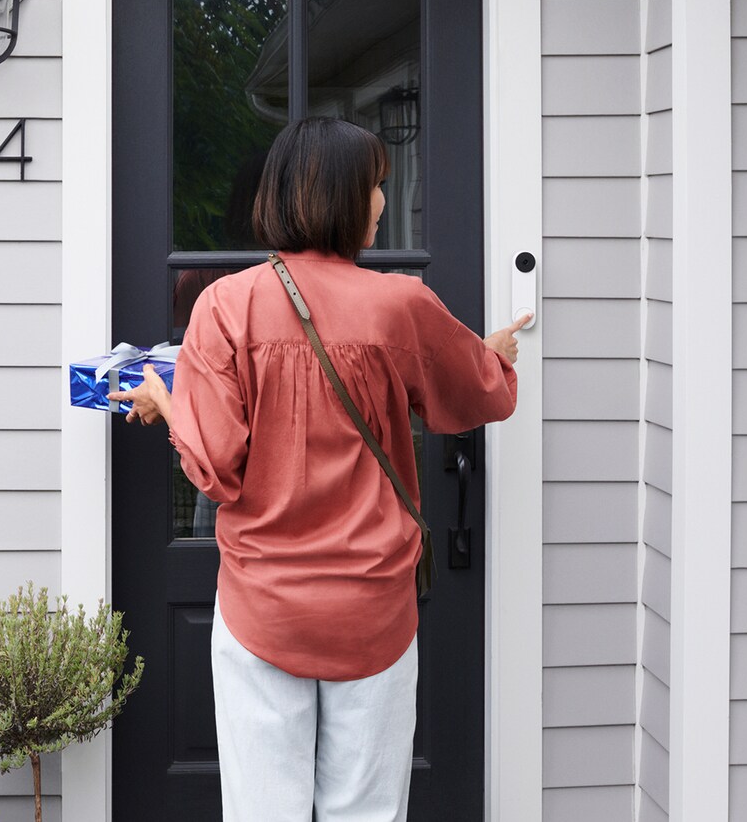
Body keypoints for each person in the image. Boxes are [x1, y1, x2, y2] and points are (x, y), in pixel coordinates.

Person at [110, 117, 530, 822]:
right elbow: (478, 388)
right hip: (373, 612)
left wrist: (167, 399)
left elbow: (214, 465)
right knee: (366, 812)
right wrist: (499, 355)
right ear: (341, 197)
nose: (383, 204)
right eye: (376, 186)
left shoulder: (227, 306)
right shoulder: (401, 304)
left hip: (261, 610)